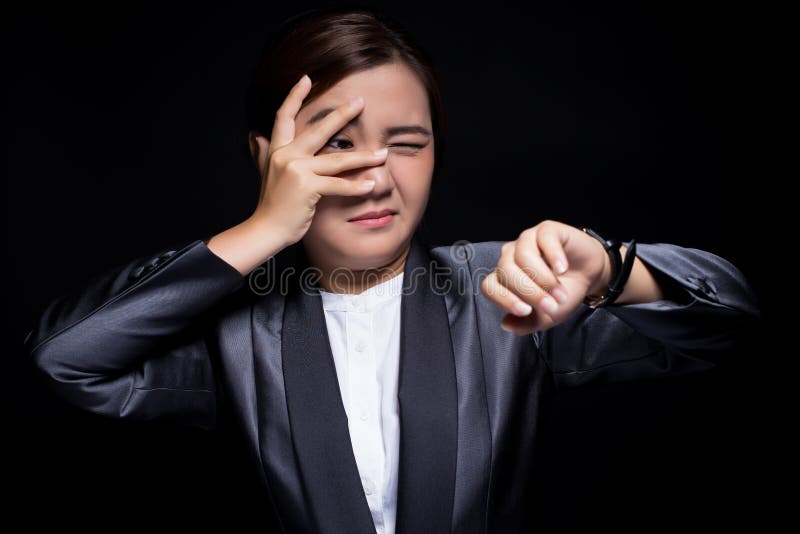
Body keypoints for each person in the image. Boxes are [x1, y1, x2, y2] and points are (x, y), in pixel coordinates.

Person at [23, 5, 761, 534]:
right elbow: (67, 359)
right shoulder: (233, 330)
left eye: (406, 143)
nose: (376, 178)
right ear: (265, 156)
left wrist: (607, 267)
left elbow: (732, 320)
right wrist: (262, 229)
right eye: (338, 144)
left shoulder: (504, 291)